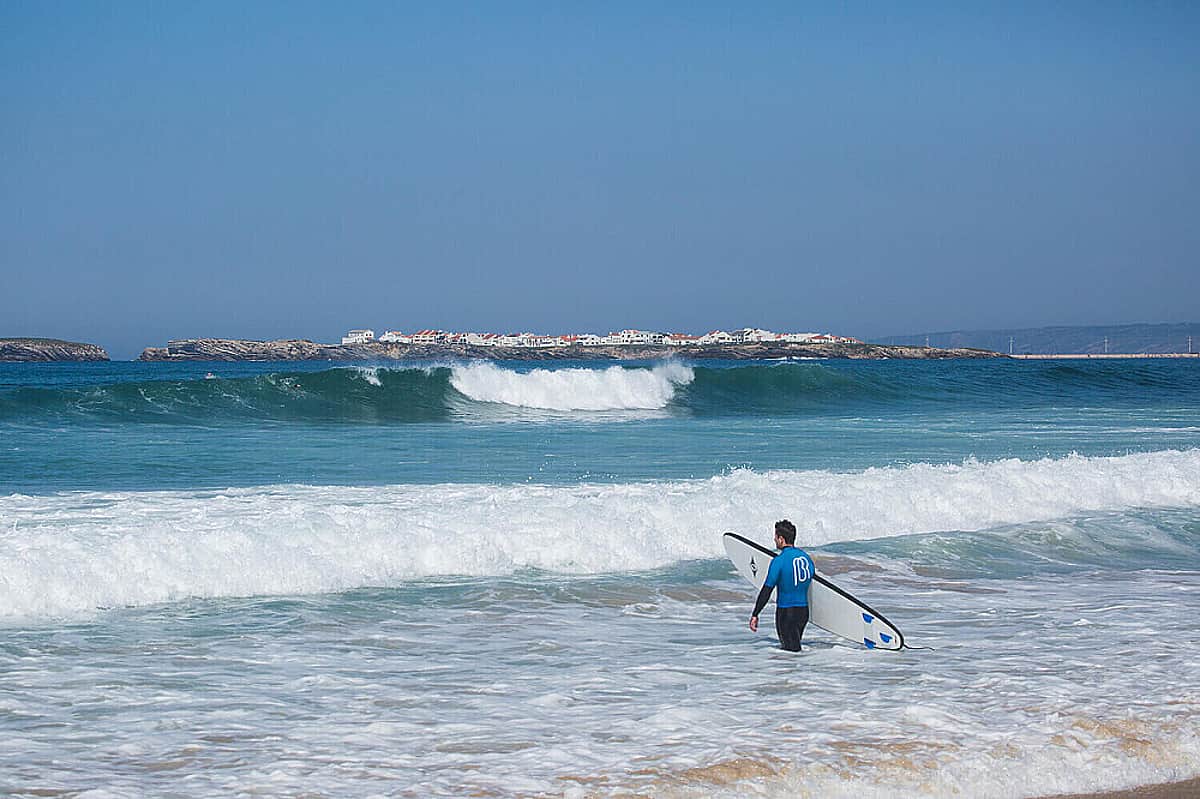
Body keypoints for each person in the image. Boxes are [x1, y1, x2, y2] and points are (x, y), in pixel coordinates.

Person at [749, 519, 815, 652]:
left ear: (781, 539)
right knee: (795, 648)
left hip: (786, 612)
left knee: (789, 653)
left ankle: (796, 672)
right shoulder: (807, 559)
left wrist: (755, 614)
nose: (774, 539)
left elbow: (767, 590)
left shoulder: (779, 561)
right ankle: (802, 670)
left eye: (775, 537)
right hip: (803, 612)